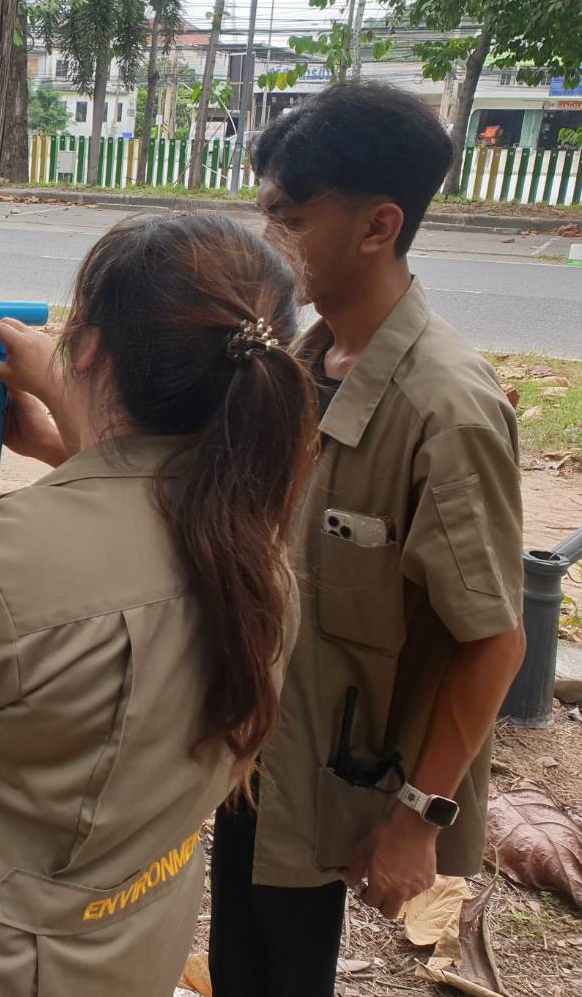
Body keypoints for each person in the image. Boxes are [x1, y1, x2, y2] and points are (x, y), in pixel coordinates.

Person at [0, 214, 317, 996]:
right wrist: (65, 412)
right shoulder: (254, 542)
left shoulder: (12, 563)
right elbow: (136, 525)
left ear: (89, 347)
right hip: (123, 943)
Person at [208, 82, 527, 996]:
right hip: (261, 744)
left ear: (377, 225)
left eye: (291, 217)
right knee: (245, 959)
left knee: (281, 967)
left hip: (341, 770)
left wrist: (417, 819)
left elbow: (493, 637)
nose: (267, 240)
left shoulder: (445, 409)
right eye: (264, 212)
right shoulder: (298, 364)